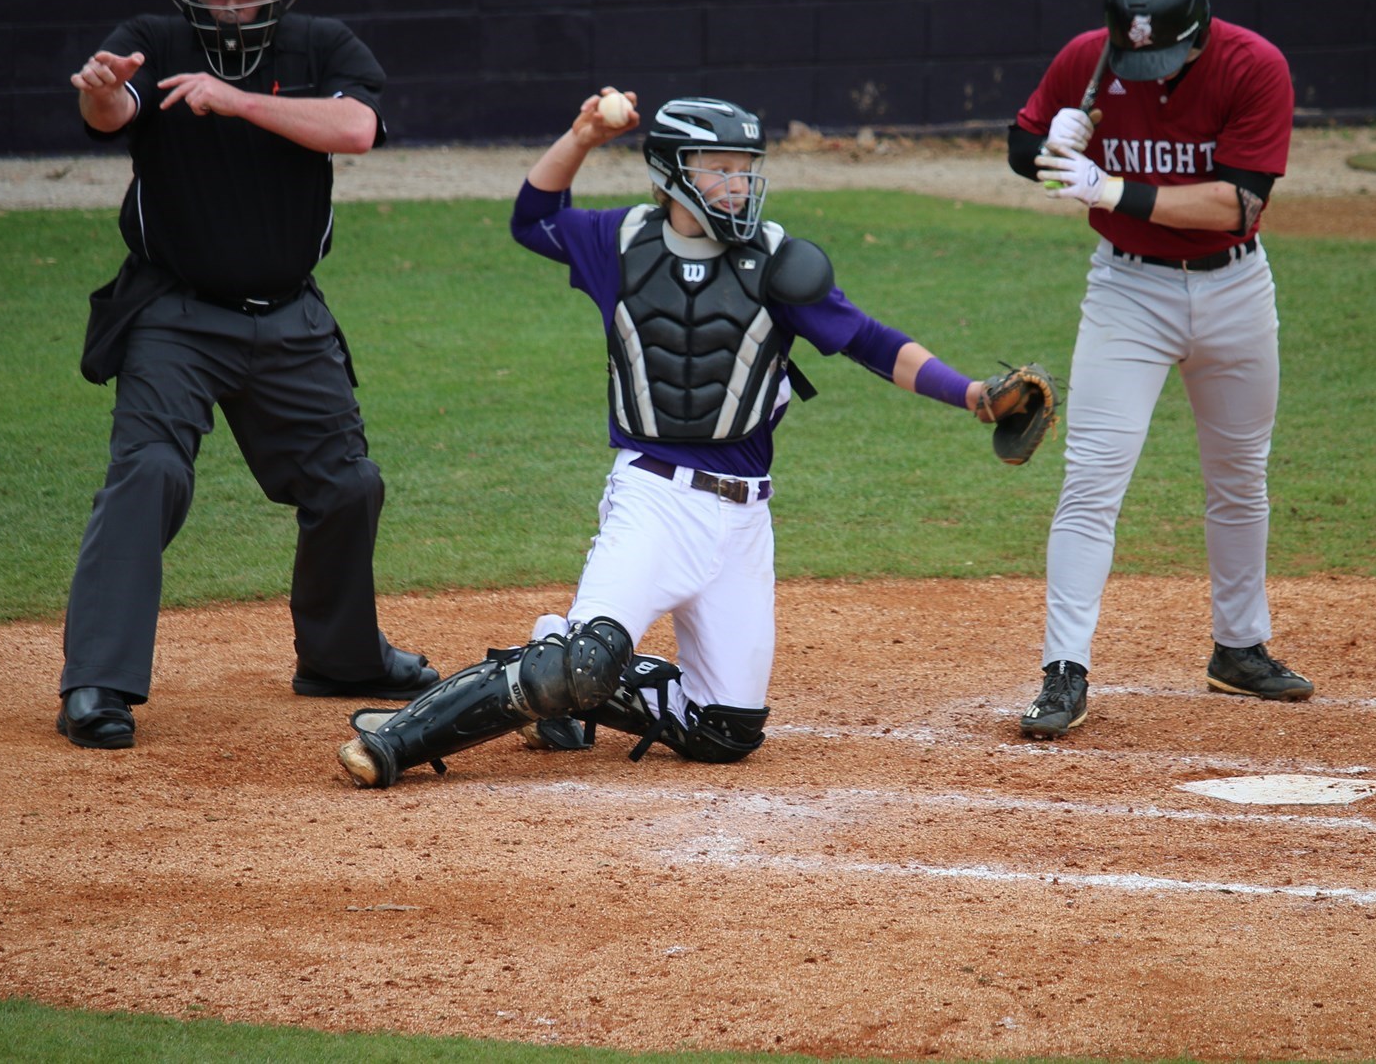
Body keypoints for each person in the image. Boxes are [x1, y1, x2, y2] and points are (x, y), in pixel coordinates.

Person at [335, 91, 1040, 788]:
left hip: (742, 519)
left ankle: (556, 659)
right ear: (671, 172)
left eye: (746, 169)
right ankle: (401, 737)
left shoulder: (777, 261)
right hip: (654, 498)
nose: (737, 185)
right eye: (719, 169)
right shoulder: (619, 242)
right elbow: (532, 218)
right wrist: (582, 134)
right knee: (588, 662)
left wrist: (973, 394)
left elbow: (869, 341)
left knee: (726, 729)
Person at [56, 0, 440, 750]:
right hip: (175, 312)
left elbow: (357, 128)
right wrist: (100, 88)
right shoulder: (153, 39)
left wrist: (234, 99)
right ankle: (97, 681)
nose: (230, 6)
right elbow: (111, 108)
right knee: (150, 471)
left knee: (347, 483)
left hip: (291, 314)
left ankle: (340, 658)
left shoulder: (319, 45)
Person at [1008, 0, 1313, 740]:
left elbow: (1237, 205)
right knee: (1092, 478)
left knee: (1240, 473)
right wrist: (1050, 149)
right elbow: (1023, 149)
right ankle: (1063, 670)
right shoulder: (1090, 57)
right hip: (1128, 292)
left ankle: (1239, 649)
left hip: (1235, 287)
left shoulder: (1255, 66)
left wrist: (1108, 186)